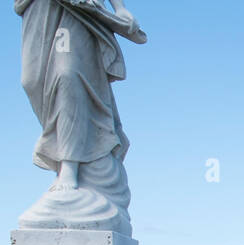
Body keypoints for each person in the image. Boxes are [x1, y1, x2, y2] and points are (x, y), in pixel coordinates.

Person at [15, 0, 147, 233]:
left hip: (76, 10)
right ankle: (64, 158)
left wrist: (120, 8)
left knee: (68, 75)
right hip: (37, 7)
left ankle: (69, 168)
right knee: (32, 81)